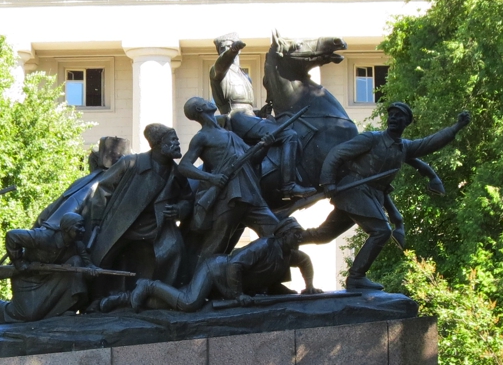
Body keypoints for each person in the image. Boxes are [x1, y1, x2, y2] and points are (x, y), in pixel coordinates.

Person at [301, 103, 470, 290]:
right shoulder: (371, 139)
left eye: (399, 116)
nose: (394, 119)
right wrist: (328, 182)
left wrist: (456, 127)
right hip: (354, 190)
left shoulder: (403, 148)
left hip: (370, 197)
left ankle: (286, 240)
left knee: (324, 234)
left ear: (406, 122)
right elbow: (337, 154)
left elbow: (429, 143)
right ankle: (356, 277)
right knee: (381, 231)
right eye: (392, 115)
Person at [97, 217, 320, 312]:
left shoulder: (288, 253)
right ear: (283, 234)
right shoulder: (263, 246)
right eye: (296, 234)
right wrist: (238, 295)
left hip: (227, 283)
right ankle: (148, 285)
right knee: (189, 303)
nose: (299, 238)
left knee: (169, 304)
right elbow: (234, 266)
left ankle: (121, 299)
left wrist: (309, 286)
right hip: (216, 271)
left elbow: (306, 262)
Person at [82, 123, 192, 285]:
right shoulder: (131, 163)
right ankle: (97, 299)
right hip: (122, 223)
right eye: (172, 140)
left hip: (157, 225)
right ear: (158, 144)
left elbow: (188, 198)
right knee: (102, 258)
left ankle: (161, 297)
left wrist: (178, 210)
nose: (177, 144)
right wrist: (97, 221)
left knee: (174, 252)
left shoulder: (177, 173)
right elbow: (104, 188)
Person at [177, 97, 280, 260]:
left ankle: (253, 270)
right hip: (229, 196)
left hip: (250, 193)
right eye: (204, 101)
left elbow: (252, 159)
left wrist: (265, 146)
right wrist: (211, 178)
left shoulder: (229, 134)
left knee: (277, 232)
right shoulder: (202, 137)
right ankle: (199, 282)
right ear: (199, 110)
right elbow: (184, 166)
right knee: (215, 245)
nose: (210, 101)